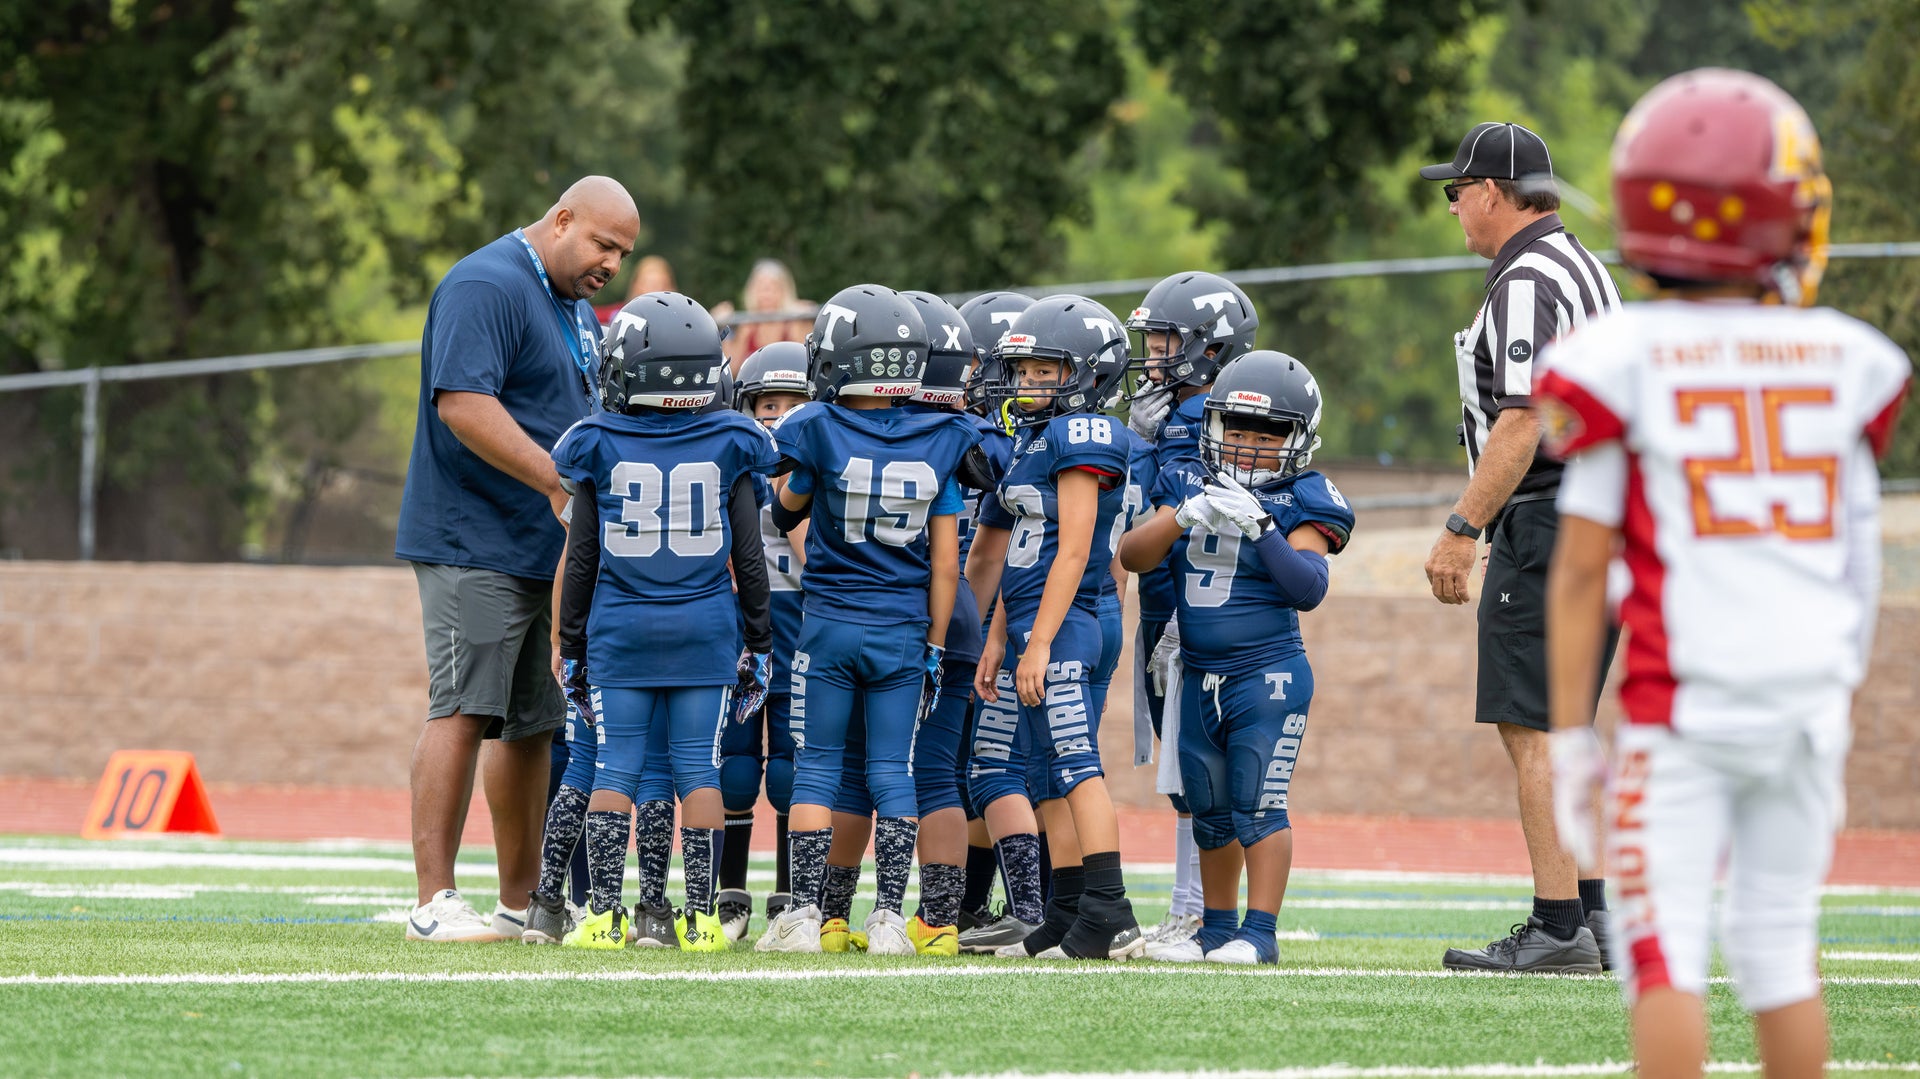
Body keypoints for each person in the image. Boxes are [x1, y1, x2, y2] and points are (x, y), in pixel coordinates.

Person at [1539, 68, 1908, 1079]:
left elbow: (1579, 571)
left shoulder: (1617, 355)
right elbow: (1856, 558)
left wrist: (1573, 735)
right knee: (1781, 947)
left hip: (1683, 700)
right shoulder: (1849, 357)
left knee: (1665, 958)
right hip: (1804, 701)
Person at [395, 176, 638, 942]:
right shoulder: (485, 282)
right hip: (475, 538)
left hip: (545, 546)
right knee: (464, 707)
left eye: (623, 254)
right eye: (603, 244)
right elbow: (462, 402)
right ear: (562, 219)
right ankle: (433, 901)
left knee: (532, 724)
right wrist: (557, 482)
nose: (612, 266)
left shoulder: (571, 305)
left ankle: (521, 900)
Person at [1418, 122, 1621, 973]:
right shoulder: (1584, 263)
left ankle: (1557, 920)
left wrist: (1463, 527)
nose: (1455, 206)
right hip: (1607, 516)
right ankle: (1599, 914)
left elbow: (1524, 415)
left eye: (1457, 190)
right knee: (1564, 725)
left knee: (1529, 721)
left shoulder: (1527, 279)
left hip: (1551, 518)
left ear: (1494, 192)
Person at [754, 284, 986, 954]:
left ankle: (802, 913)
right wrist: (937, 642)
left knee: (820, 766)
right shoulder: (945, 436)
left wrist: (806, 486)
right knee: (895, 769)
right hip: (904, 627)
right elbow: (947, 566)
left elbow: (785, 506)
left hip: (828, 621)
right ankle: (888, 916)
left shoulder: (814, 427)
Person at [549, 292, 779, 949]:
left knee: (616, 765)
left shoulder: (595, 441)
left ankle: (600, 916)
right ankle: (702, 919)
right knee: (698, 770)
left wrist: (571, 641)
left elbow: (584, 555)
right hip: (704, 628)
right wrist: (758, 641)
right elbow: (749, 556)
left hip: (620, 626)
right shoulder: (733, 439)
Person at [1122, 351, 1353, 964]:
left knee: (1257, 803)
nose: (1249, 445)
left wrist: (1263, 530)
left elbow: (1307, 589)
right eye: (1239, 429)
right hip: (1198, 670)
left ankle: (1260, 934)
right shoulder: (1186, 479)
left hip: (1267, 674)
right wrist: (1178, 520)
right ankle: (1216, 929)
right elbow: (1133, 556)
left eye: (1267, 433)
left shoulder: (1305, 495)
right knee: (1210, 810)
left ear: (1298, 438)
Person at [967, 295, 1145, 960]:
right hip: (1038, 617)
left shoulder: (1084, 434)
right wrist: (998, 637)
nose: (1026, 383)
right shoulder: (1032, 439)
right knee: (1041, 768)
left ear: (1089, 373)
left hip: (1068, 620)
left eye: (1046, 371)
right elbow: (1023, 553)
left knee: (1074, 761)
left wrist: (1039, 640)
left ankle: (1111, 907)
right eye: (1025, 371)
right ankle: (1069, 906)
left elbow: (1074, 548)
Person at [1120, 272, 1260, 946]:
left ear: (1210, 347)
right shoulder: (1179, 415)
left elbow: (1160, 510)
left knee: (1201, 769)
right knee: (1186, 772)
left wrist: (1140, 447)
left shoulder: (1201, 422)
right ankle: (1190, 906)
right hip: (1176, 601)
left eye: (1166, 338)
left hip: (1196, 607)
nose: (1153, 353)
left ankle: (1205, 911)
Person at [714, 342, 815, 943]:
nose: (777, 417)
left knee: (791, 769)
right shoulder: (731, 470)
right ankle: (729, 889)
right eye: (767, 405)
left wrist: (795, 500)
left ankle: (788, 892)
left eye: (792, 405)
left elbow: (822, 562)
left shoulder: (821, 475)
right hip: (740, 624)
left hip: (802, 623)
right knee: (735, 761)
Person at [717, 258, 816, 371]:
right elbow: (731, 369)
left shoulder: (794, 322)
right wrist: (724, 327)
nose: (767, 293)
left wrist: (804, 319)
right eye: (761, 287)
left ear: (784, 291)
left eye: (773, 287)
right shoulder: (749, 325)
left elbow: (809, 365)